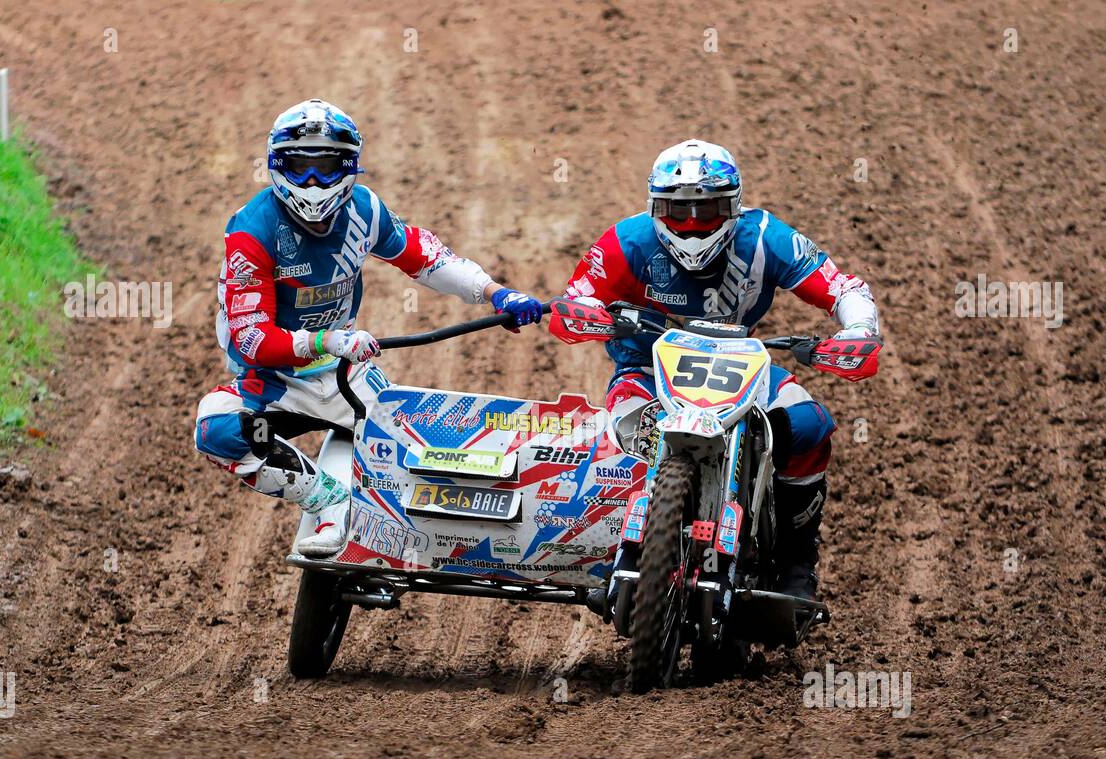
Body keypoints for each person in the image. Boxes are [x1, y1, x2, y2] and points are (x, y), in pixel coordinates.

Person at [193, 99, 542, 556]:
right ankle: (330, 502)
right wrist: (328, 340)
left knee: (429, 453)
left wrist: (496, 293)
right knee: (216, 428)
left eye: (326, 165)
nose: (313, 181)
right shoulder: (252, 231)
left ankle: (498, 527)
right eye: (300, 166)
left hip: (347, 376)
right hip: (273, 386)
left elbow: (425, 257)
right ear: (278, 166)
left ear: (350, 166)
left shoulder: (365, 209)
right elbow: (252, 339)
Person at [559, 139, 880, 599]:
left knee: (809, 426)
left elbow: (841, 286)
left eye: (706, 210)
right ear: (655, 207)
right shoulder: (626, 241)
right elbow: (578, 293)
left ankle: (797, 560)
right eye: (677, 211)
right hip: (647, 370)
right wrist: (586, 312)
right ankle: (615, 547)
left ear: (732, 206)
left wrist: (858, 329)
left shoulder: (766, 236)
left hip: (738, 367)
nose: (691, 226)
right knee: (623, 438)